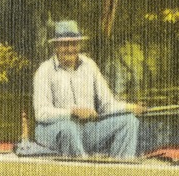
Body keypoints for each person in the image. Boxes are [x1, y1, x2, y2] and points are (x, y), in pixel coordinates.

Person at [33, 20, 145, 158]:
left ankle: (119, 171)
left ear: (79, 45)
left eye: (74, 43)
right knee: (69, 128)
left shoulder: (89, 65)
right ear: (56, 46)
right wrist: (72, 112)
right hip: (53, 130)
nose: (70, 49)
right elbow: (41, 113)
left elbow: (108, 104)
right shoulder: (44, 70)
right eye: (64, 44)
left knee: (129, 121)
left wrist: (129, 107)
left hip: (87, 130)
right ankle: (83, 172)